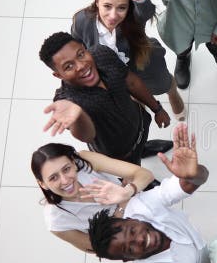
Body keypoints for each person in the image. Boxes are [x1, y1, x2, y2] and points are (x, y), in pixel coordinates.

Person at [87, 123, 212, 263]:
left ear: (132, 218)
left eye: (131, 230)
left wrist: (193, 174)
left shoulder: (140, 207)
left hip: (210, 253)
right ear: (127, 259)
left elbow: (193, 182)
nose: (138, 239)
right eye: (129, 248)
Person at [71, 0, 186, 120]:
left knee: (164, 84)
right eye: (107, 6)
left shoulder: (133, 19)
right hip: (113, 74)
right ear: (97, 1)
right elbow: (77, 47)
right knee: (135, 99)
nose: (113, 16)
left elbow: (146, 11)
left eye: (121, 8)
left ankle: (172, 94)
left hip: (144, 62)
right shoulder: (81, 20)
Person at [39, 32, 172, 165]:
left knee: (141, 143)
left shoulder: (102, 54)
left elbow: (131, 82)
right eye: (68, 66)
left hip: (140, 121)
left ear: (84, 47)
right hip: (120, 154)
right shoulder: (66, 102)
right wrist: (78, 115)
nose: (81, 66)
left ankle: (143, 148)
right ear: (58, 75)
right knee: (135, 169)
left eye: (81, 54)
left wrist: (157, 109)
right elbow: (87, 135)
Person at [31, 143, 155, 252]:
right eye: (53, 178)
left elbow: (145, 175)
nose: (65, 181)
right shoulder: (56, 221)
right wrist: (120, 211)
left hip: (145, 206)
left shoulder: (85, 161)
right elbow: (99, 248)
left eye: (66, 169)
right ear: (42, 184)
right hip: (134, 241)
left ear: (74, 163)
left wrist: (127, 191)